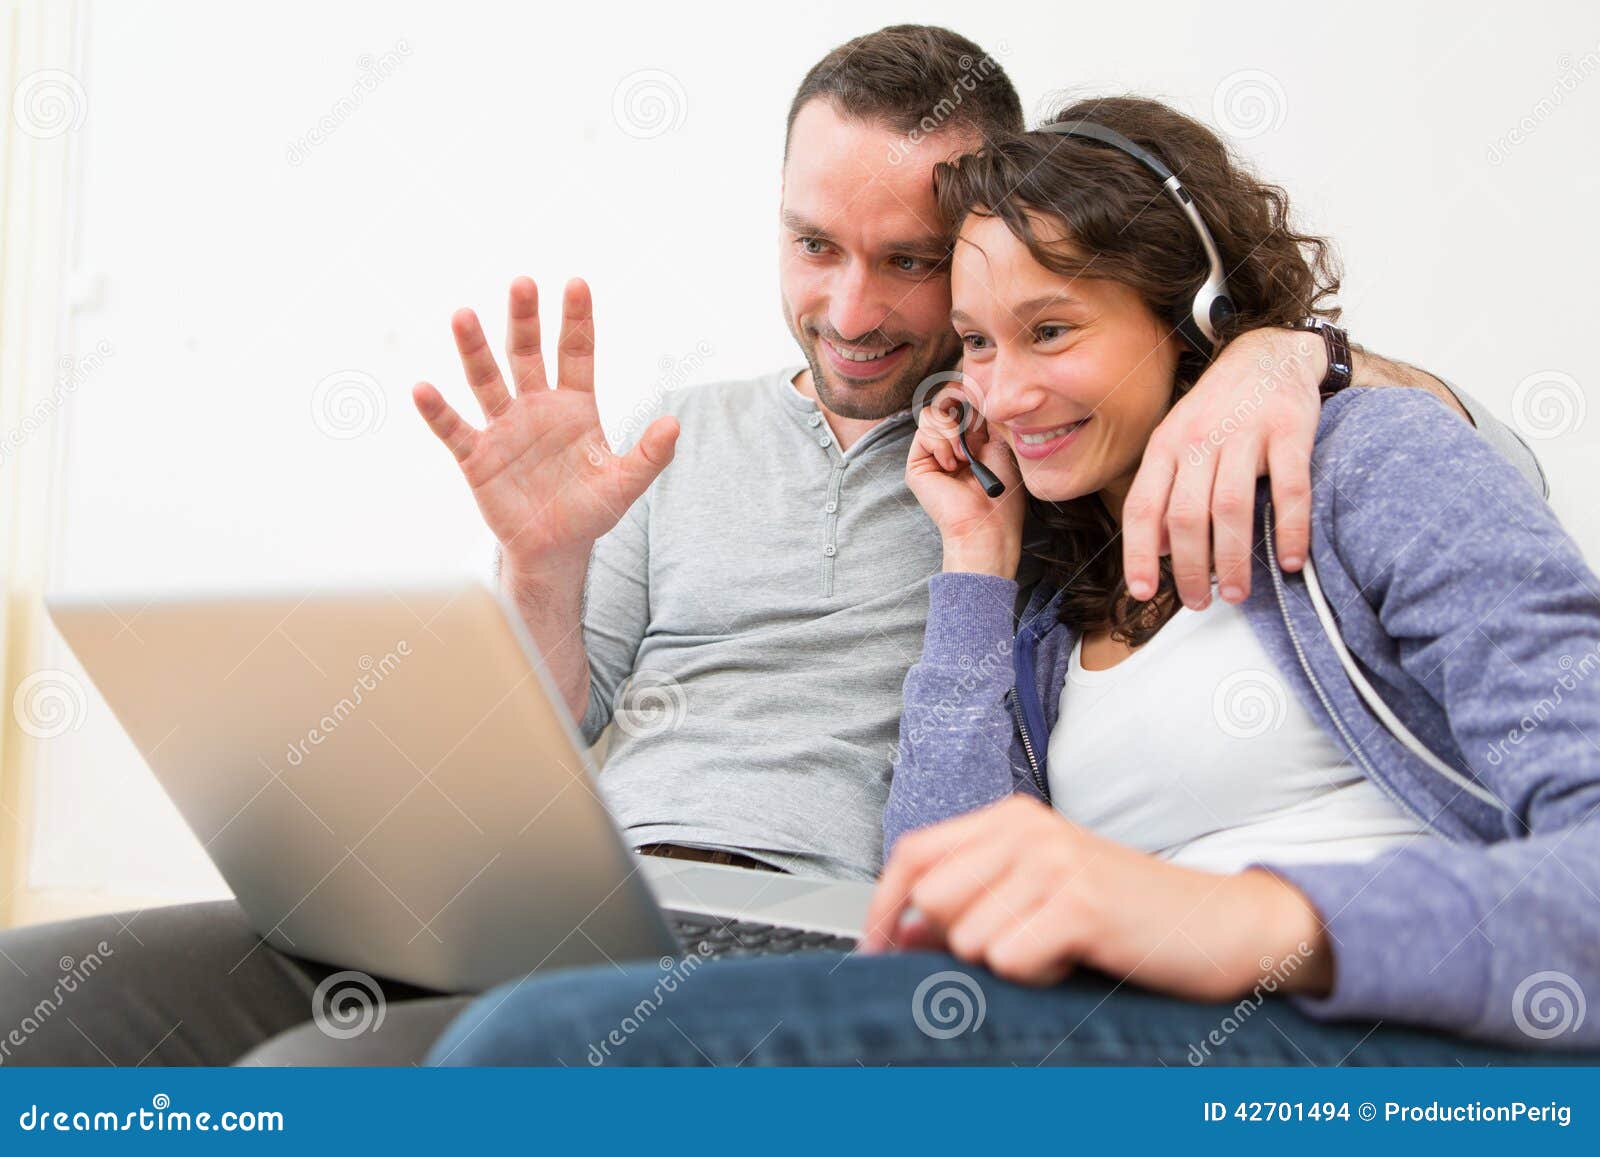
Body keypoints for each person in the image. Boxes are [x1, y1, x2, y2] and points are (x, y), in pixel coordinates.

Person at [0, 27, 1543, 1067]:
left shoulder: (1046, 471)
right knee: (37, 1013)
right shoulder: (723, 448)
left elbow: (1473, 481)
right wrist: (538, 567)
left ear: (1000, 241)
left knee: (334, 1076)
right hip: (545, 894)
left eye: (914, 265)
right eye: (814, 245)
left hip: (780, 931)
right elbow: (538, 747)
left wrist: (1293, 352)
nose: (856, 308)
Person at [425, 95, 1599, 1064]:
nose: (1003, 391)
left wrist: (1249, 917)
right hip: (1135, 1025)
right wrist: (974, 563)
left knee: (535, 1048)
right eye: (979, 342)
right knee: (322, 1051)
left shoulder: (1362, 463)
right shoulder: (1050, 597)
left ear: (1193, 317)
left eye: (1052, 330)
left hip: (1392, 1034)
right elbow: (937, 887)